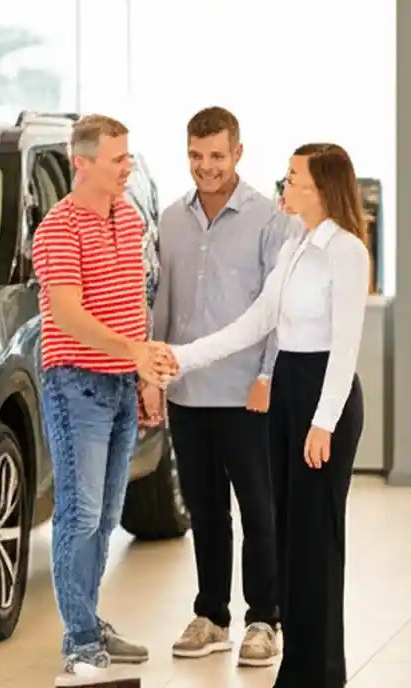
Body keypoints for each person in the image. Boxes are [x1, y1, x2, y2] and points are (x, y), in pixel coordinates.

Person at [155, 142, 370, 688]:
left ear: (321, 187)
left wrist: (323, 422)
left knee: (317, 540)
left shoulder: (344, 252)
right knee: (289, 534)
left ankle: (321, 673)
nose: (284, 183)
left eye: (294, 176)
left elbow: (346, 348)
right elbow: (251, 324)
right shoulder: (296, 245)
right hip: (290, 391)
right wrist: (181, 357)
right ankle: (298, 668)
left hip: (325, 396)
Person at [152, 107, 297, 667]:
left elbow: (277, 309)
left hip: (246, 395)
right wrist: (156, 373)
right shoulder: (169, 219)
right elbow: (164, 302)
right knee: (205, 511)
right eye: (195, 155)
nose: (205, 167)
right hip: (188, 395)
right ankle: (211, 615)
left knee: (260, 511)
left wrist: (267, 376)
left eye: (216, 155)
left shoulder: (269, 218)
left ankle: (265, 618)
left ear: (238, 152)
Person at [32, 114, 163, 683]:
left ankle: (90, 624)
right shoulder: (58, 230)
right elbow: (67, 315)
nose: (127, 167)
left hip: (118, 385)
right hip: (75, 384)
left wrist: (146, 374)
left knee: (108, 514)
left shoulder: (128, 217)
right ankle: (79, 641)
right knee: (80, 514)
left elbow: (135, 301)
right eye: (117, 159)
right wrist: (130, 355)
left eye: (128, 157)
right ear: (81, 162)